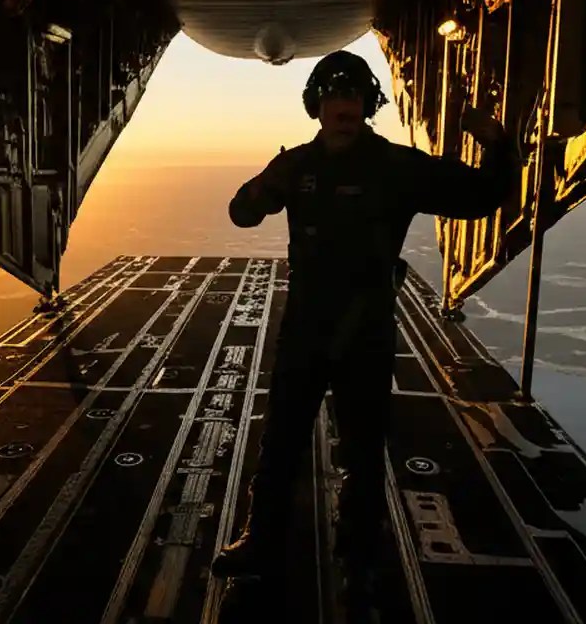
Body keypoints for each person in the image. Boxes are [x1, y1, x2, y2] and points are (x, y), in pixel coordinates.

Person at [211, 50, 519, 584]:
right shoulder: (298, 167)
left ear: (366, 104)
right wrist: (263, 186)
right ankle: (261, 542)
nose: (344, 104)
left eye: (353, 95)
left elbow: (482, 197)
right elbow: (240, 213)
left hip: (366, 335)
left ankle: (356, 551)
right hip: (306, 332)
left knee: (364, 448)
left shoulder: (395, 168)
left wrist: (495, 141)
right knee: (280, 442)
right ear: (318, 106)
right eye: (334, 95)